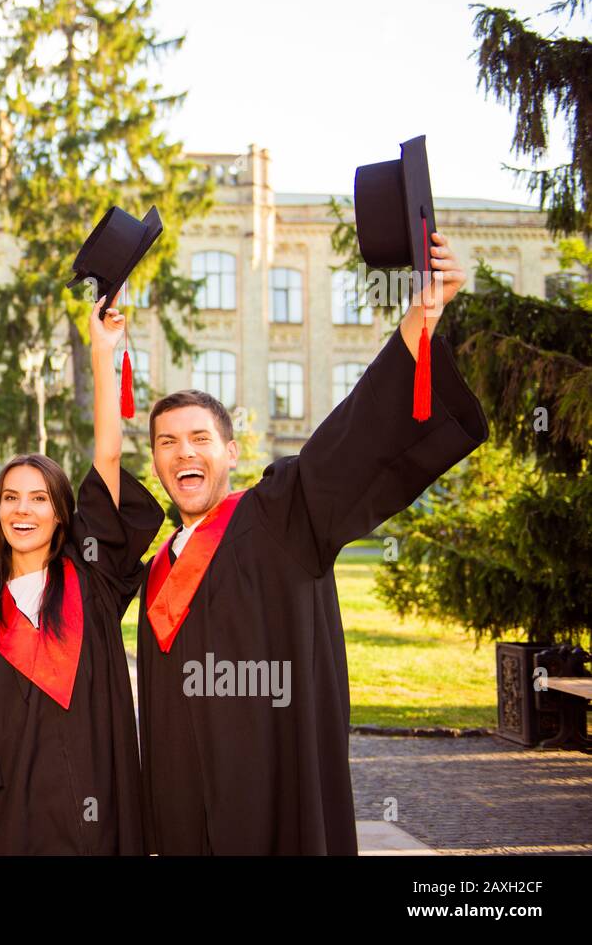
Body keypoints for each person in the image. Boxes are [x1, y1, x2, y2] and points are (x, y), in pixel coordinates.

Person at [135, 233, 488, 854]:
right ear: (156, 459)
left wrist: (421, 317)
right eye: (167, 442)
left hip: (270, 796)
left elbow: (350, 440)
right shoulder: (160, 567)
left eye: (199, 438)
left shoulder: (279, 517)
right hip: (183, 806)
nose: (184, 452)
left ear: (230, 451)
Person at [0, 299, 160, 854]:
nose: (22, 511)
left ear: (61, 514)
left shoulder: (90, 582)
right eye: (10, 498)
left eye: (39, 499)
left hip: (103, 818)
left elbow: (105, 462)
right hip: (13, 825)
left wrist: (105, 356)